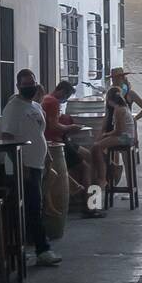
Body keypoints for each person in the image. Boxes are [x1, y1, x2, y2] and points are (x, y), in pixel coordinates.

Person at [1, 69, 61, 266]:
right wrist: (20, 165)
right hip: (23, 167)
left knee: (36, 206)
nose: (29, 87)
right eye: (25, 84)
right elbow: (7, 138)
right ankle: (42, 250)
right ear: (18, 86)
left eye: (32, 83)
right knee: (33, 208)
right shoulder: (13, 108)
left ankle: (31, 247)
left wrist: (47, 156)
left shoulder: (35, 105)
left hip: (37, 164)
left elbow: (39, 133)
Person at [42, 80, 104, 219]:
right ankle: (89, 206)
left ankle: (92, 199)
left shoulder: (48, 99)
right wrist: (71, 128)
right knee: (86, 167)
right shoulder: (52, 102)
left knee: (88, 155)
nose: (66, 100)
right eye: (66, 96)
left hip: (61, 139)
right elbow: (53, 126)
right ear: (62, 91)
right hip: (57, 142)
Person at [92, 86, 134, 191]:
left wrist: (106, 135)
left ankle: (103, 176)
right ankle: (112, 166)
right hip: (127, 136)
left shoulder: (119, 110)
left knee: (97, 147)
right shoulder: (123, 107)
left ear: (109, 99)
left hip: (125, 138)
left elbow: (119, 131)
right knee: (97, 147)